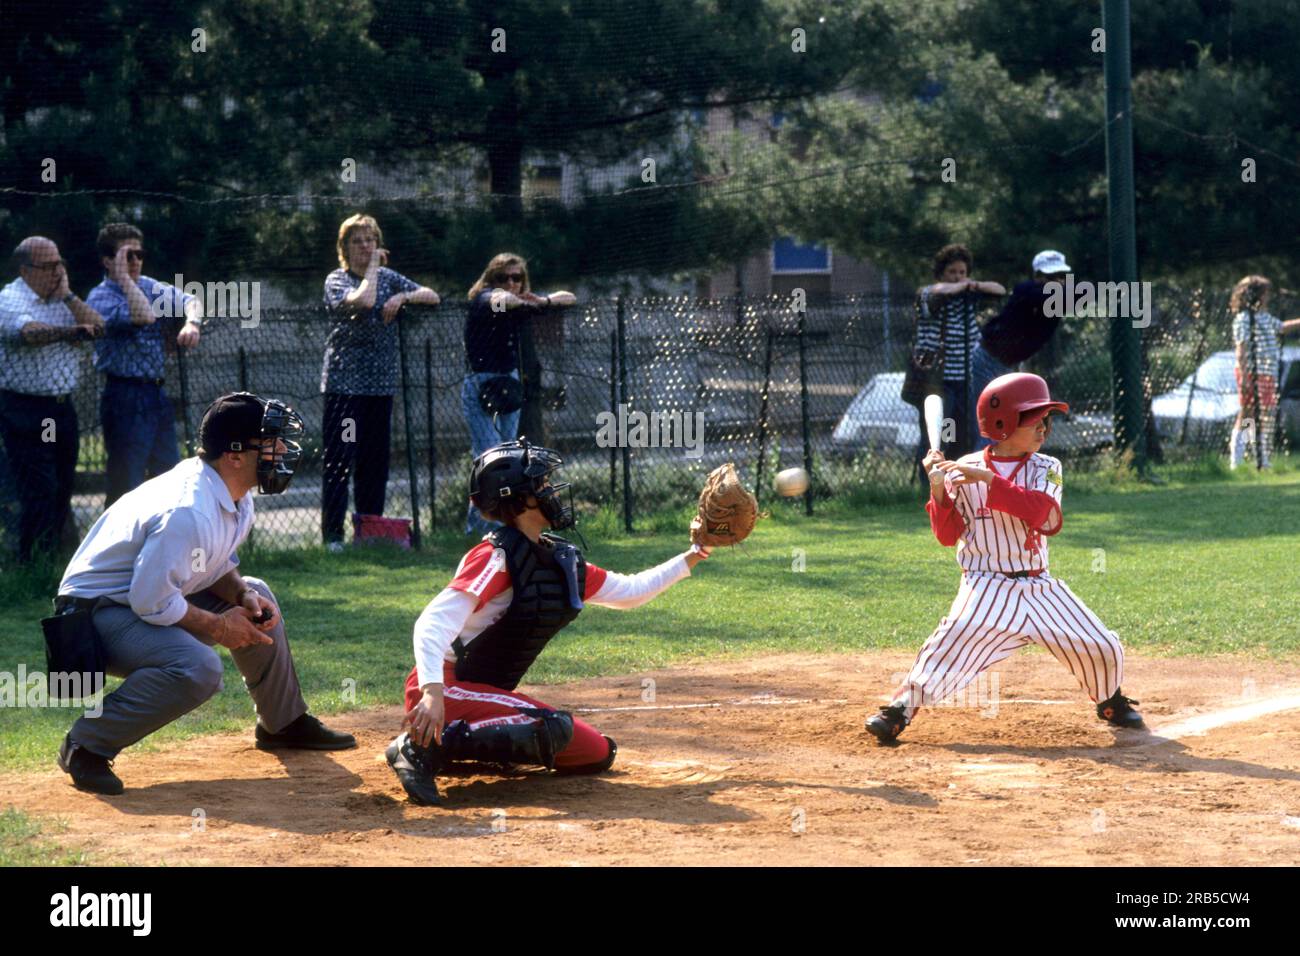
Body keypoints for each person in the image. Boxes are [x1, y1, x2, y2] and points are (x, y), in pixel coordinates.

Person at [53, 392, 356, 795]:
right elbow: (151, 600)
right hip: (89, 619)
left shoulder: (232, 493)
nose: (281, 449)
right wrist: (218, 626)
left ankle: (282, 723)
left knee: (256, 592)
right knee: (199, 668)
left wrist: (241, 595)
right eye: (269, 441)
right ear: (233, 456)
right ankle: (86, 743)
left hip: (131, 602)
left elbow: (210, 565)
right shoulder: (188, 510)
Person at [386, 438, 713, 805]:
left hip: (476, 688)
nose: (551, 490)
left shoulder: (556, 558)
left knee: (597, 752)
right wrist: (432, 693)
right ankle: (417, 749)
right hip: (442, 689)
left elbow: (631, 591)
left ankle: (454, 743)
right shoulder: (494, 557)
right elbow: (431, 623)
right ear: (519, 497)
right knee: (550, 727)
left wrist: (696, 553)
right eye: (540, 484)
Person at [864, 372, 1144, 745]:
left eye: (1046, 419)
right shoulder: (960, 469)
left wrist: (989, 481)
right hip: (986, 585)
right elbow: (947, 535)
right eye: (1034, 420)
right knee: (950, 644)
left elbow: (1045, 516)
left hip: (1040, 587)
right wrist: (938, 491)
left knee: (1103, 646)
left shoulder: (1047, 467)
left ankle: (1109, 700)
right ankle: (899, 710)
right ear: (1003, 424)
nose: (1044, 427)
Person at [321, 214, 440, 551]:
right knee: (340, 461)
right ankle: (333, 537)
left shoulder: (390, 278)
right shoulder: (337, 280)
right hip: (345, 389)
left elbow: (432, 296)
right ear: (344, 247)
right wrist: (373, 269)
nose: (365, 246)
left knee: (375, 463)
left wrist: (403, 297)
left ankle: (369, 532)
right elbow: (364, 301)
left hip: (380, 389)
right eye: (357, 241)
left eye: (370, 240)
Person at [0, 237, 105, 561]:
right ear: (26, 270)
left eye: (61, 264)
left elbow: (99, 325)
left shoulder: (63, 299)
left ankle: (51, 559)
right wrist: (71, 333)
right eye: (49, 267)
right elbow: (28, 333)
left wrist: (70, 296)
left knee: (62, 482)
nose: (58, 272)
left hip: (61, 406)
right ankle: (30, 559)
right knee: (39, 487)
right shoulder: (10, 297)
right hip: (25, 407)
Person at [86, 222, 204, 505]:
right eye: (127, 255)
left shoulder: (150, 286)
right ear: (108, 261)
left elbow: (193, 300)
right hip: (124, 396)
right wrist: (124, 279)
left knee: (170, 476)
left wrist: (192, 323)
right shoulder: (100, 296)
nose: (136, 261)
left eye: (140, 255)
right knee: (127, 483)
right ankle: (118, 547)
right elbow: (143, 317)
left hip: (156, 394)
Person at [462, 253, 575, 535]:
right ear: (492, 279)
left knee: (509, 458)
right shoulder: (485, 299)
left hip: (509, 384)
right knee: (488, 457)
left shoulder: (521, 301)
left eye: (517, 278)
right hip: (482, 383)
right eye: (503, 277)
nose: (510, 283)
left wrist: (543, 301)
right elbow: (500, 301)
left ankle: (499, 525)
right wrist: (521, 299)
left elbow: (568, 297)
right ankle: (479, 528)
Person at [910, 244, 1005, 463]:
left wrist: (973, 284)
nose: (958, 278)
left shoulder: (967, 294)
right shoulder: (927, 295)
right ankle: (933, 475)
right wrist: (962, 286)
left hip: (967, 378)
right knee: (942, 432)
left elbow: (998, 289)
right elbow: (941, 291)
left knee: (970, 429)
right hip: (941, 380)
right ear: (941, 273)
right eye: (952, 272)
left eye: (962, 272)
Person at [970, 249, 1071, 450]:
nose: (1058, 281)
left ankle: (998, 475)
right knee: (992, 426)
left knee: (1007, 425)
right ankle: (981, 475)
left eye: (1062, 276)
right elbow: (1043, 296)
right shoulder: (1027, 290)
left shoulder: (1057, 299)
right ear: (1038, 277)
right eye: (1052, 277)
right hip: (988, 359)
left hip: (1007, 366)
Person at [1228, 275, 1300, 470]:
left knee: (1264, 415)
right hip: (1251, 372)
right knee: (1247, 413)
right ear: (1256, 295)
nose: (1268, 297)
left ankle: (1261, 458)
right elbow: (1241, 349)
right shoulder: (1243, 320)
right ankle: (1237, 457)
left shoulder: (1265, 317)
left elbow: (1282, 327)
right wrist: (1244, 376)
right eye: (1265, 293)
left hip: (1267, 373)